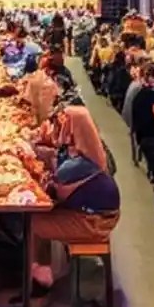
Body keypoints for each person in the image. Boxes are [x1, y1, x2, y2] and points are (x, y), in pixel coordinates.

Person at [30, 106, 120, 289]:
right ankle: (43, 267)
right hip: (103, 213)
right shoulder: (94, 150)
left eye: (63, 124)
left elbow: (50, 195)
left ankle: (41, 277)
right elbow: (57, 158)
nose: (59, 127)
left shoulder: (77, 166)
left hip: (95, 222)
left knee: (32, 221)